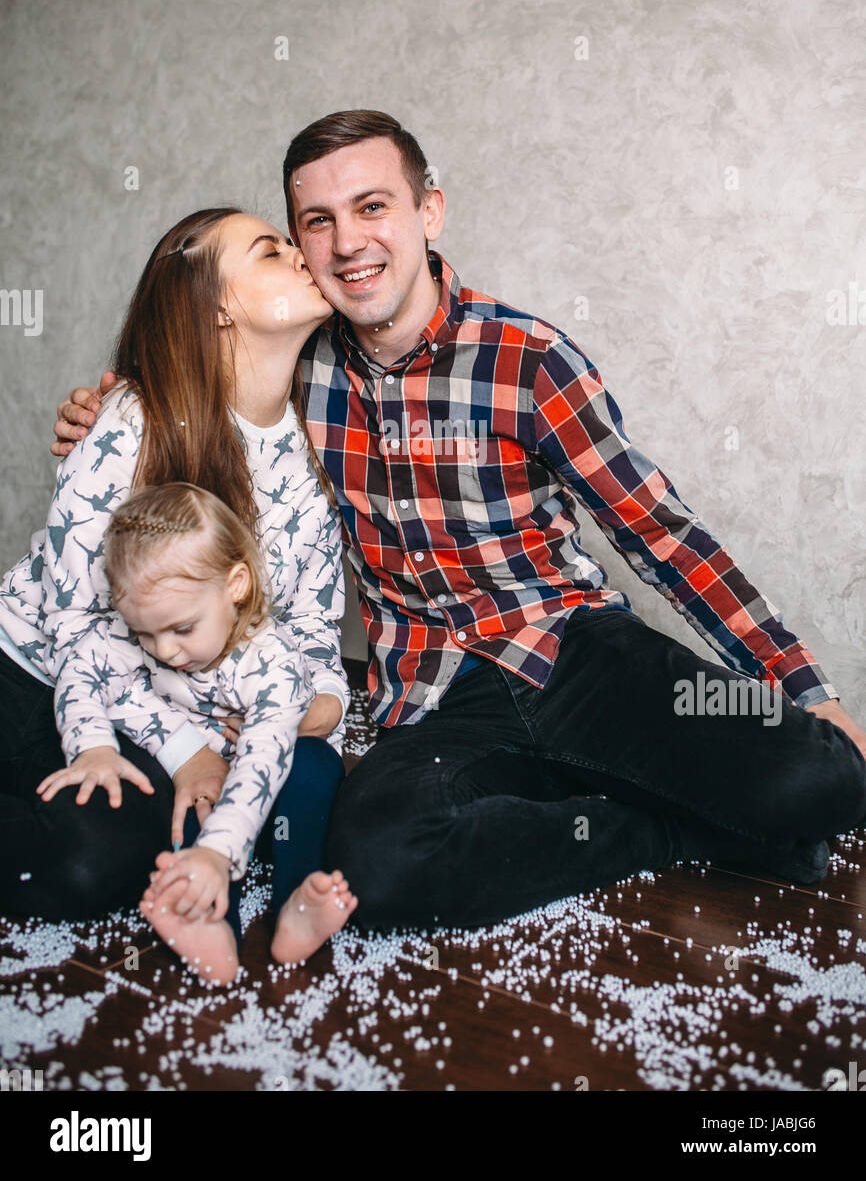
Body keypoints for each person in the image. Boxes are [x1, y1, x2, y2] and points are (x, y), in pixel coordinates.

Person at [53, 111, 866, 933]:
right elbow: (198, 384)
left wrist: (803, 685)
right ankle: (659, 827)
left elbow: (659, 532)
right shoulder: (297, 366)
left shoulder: (527, 357)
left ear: (428, 213)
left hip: (574, 653)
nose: (347, 243)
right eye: (318, 222)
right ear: (300, 243)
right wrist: (113, 412)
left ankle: (648, 781)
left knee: (826, 781)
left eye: (373, 207)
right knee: (379, 865)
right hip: (434, 693)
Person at [1, 207, 351, 936]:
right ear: (219, 305)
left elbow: (313, 630)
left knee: (101, 860)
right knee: (87, 847)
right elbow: (79, 628)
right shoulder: (134, 420)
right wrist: (184, 747)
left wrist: (314, 704)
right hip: (31, 667)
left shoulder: (314, 461)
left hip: (159, 703)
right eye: (270, 250)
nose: (300, 256)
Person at [36, 481, 357, 984]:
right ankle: (207, 916)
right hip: (203, 780)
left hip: (270, 786)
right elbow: (80, 670)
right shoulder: (145, 629)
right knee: (183, 807)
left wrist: (218, 852)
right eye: (145, 632)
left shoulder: (273, 661)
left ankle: (296, 900)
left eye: (182, 630)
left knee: (312, 770)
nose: (162, 650)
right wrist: (93, 747)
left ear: (236, 586)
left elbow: (261, 760)